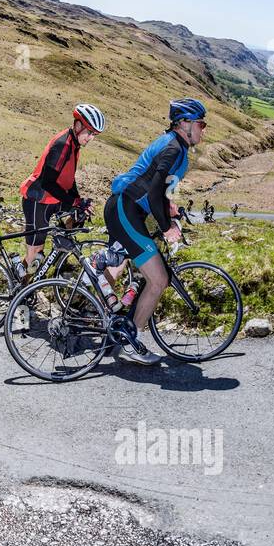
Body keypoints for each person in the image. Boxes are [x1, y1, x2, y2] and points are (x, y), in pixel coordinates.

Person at [102, 98, 207, 366]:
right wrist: (166, 227)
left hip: (127, 209)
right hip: (127, 209)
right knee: (159, 279)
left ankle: (97, 312)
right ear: (184, 124)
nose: (203, 130)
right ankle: (130, 340)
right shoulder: (173, 148)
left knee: (117, 266)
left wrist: (170, 209)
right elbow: (153, 190)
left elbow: (159, 190)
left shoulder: (177, 147)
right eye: (201, 124)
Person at [18, 103, 103, 273]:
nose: (90, 138)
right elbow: (47, 183)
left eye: (94, 135)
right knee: (35, 254)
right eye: (89, 132)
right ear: (78, 126)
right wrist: (74, 201)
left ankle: (52, 265)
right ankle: (20, 285)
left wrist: (78, 202)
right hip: (38, 199)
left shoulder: (74, 144)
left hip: (52, 199)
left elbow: (68, 179)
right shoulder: (62, 144)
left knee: (73, 223)